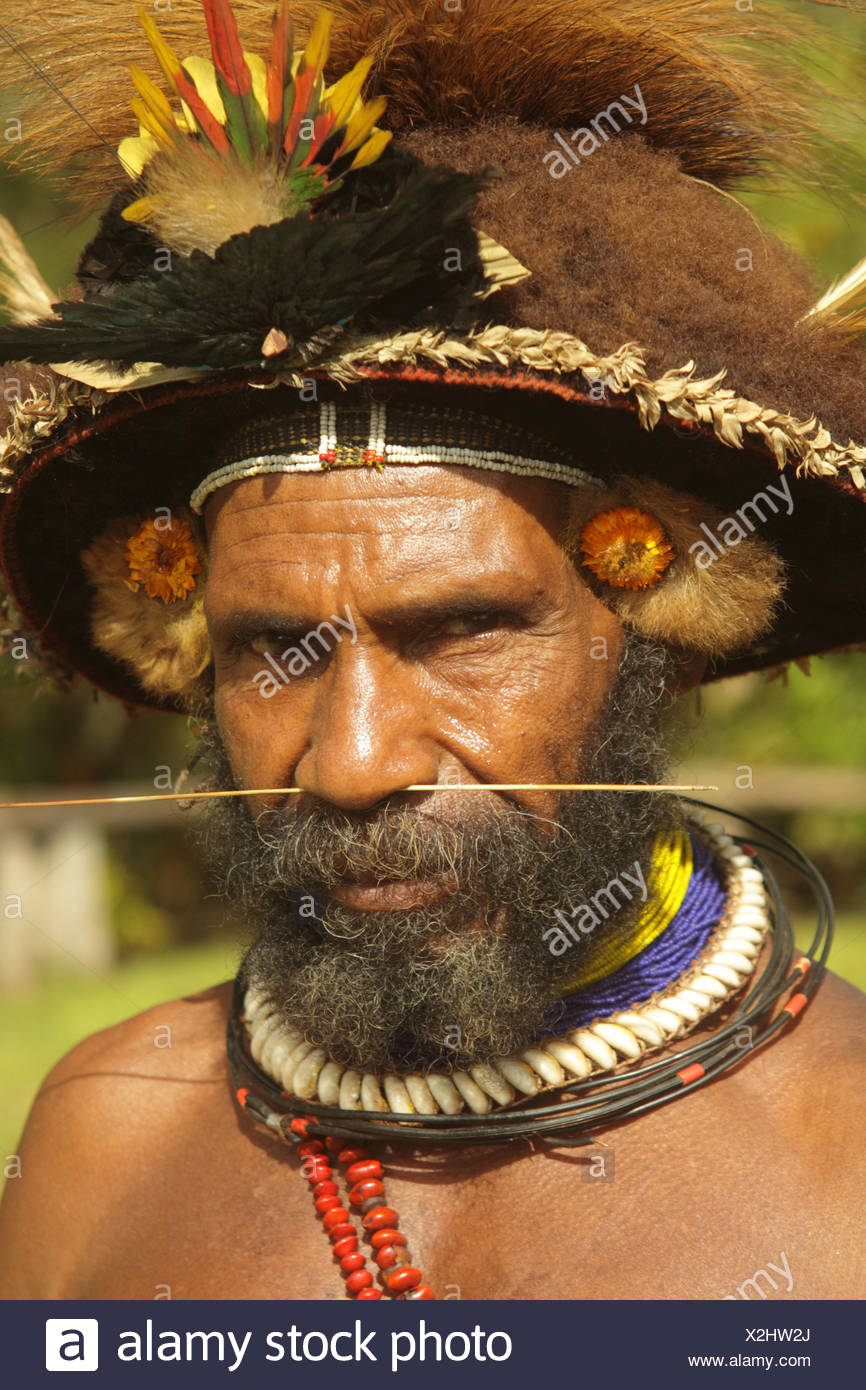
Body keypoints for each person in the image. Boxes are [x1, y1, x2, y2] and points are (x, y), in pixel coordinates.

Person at [0, 0, 864, 1301]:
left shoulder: (842, 1151)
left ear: (655, 603)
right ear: (180, 636)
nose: (350, 762)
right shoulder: (102, 1136)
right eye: (272, 648)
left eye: (464, 630)